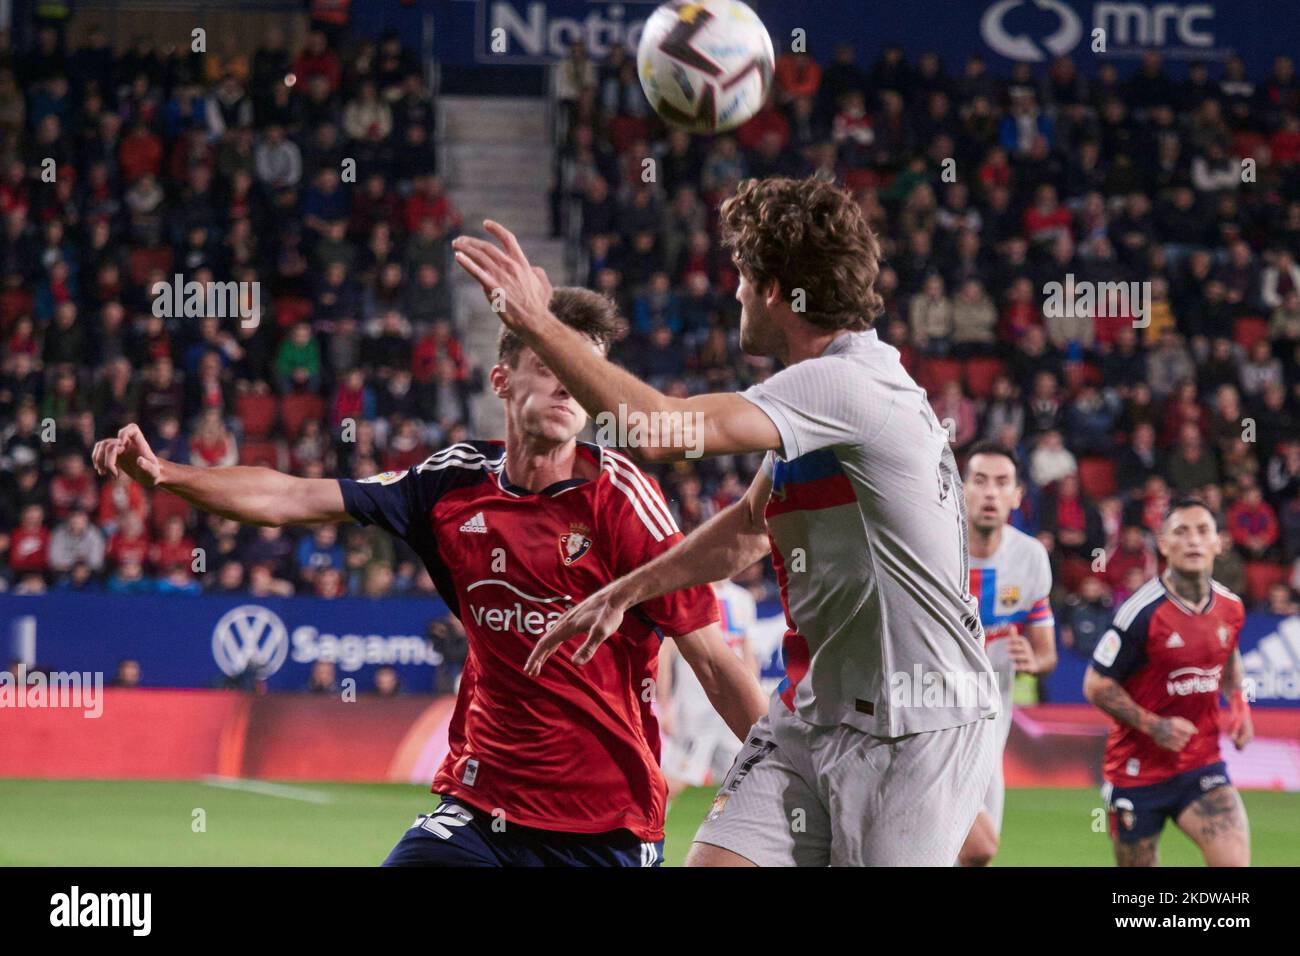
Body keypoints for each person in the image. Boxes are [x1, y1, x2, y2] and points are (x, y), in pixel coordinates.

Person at [92, 287, 765, 868]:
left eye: (584, 372)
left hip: (603, 824)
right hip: (481, 805)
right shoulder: (451, 484)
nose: (568, 384)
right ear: (502, 380)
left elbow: (711, 659)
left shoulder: (622, 501)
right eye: (549, 364)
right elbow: (296, 498)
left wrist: (788, 778)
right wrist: (169, 477)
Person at [452, 176, 998, 867]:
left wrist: (538, 322)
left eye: (740, 277)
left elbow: (654, 429)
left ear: (774, 290)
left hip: (911, 729)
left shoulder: (847, 385)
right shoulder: (821, 399)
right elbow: (746, 526)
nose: (734, 294)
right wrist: (625, 591)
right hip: (814, 714)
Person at [1083, 498, 1252, 867]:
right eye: (1181, 531)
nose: (1193, 540)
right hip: (1136, 770)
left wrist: (1239, 705)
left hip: (1201, 764)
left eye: (1202, 531)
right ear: (1163, 544)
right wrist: (1154, 725)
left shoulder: (1231, 608)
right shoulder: (1140, 614)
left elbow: (1229, 655)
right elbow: (1095, 684)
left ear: (1218, 543)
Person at [957, 442, 1056, 867]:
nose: (990, 493)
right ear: (961, 490)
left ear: (1017, 495)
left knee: (978, 854)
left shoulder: (1030, 558)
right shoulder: (930, 552)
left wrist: (1035, 662)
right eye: (979, 482)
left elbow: (1046, 650)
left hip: (989, 731)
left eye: (1002, 483)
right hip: (926, 724)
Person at [658, 577, 760, 800]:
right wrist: (664, 703)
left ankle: (729, 833)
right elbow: (666, 650)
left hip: (734, 702)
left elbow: (749, 653)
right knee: (676, 778)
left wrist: (755, 700)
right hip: (695, 704)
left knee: (742, 779)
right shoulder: (689, 592)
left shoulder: (742, 598)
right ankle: (647, 828)